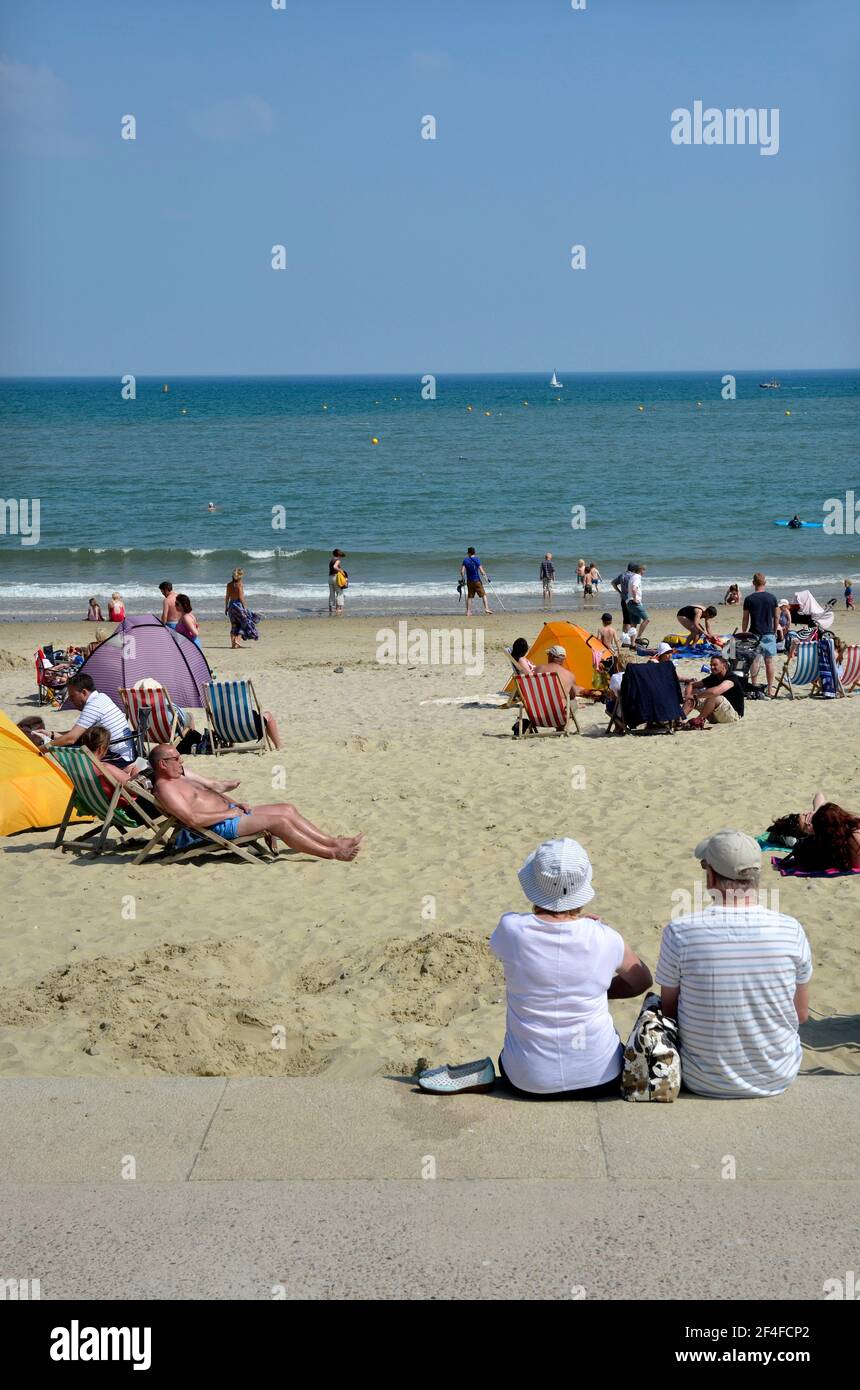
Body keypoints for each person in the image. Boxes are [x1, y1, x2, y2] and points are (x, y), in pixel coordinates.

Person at [490, 839, 653, 1098]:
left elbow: (528, 943)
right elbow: (641, 980)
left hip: (527, 1078)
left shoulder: (511, 930)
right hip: (600, 1075)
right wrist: (598, 991)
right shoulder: (605, 937)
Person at [656, 831, 812, 1098]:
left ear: (711, 877)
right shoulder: (790, 929)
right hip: (778, 1075)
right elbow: (801, 1014)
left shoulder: (680, 931)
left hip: (702, 1078)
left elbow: (670, 1012)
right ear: (756, 876)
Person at [149, 745, 362, 860]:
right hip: (219, 825)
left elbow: (211, 792)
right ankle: (332, 853)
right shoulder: (165, 788)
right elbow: (192, 819)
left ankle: (333, 841)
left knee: (287, 808)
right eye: (176, 758)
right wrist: (228, 814)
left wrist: (235, 804)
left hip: (231, 812)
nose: (181, 761)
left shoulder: (179, 776)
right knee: (280, 823)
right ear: (162, 764)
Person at [47, 672, 137, 766]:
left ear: (84, 692)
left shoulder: (93, 706)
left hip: (118, 758)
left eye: (73, 696)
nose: (71, 700)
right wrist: (51, 734)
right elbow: (75, 734)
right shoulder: (102, 697)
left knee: (69, 753)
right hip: (126, 753)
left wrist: (42, 749)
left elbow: (71, 738)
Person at [778, 797, 860, 873]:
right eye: (806, 817)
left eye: (806, 815)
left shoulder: (824, 822)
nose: (808, 815)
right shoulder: (851, 834)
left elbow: (819, 795)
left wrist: (816, 811)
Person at [742, 572, 780, 697]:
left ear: (753, 583)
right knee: (769, 662)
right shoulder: (772, 598)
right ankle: (769, 689)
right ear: (765, 583)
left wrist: (744, 632)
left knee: (755, 661)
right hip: (768, 632)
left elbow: (745, 618)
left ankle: (754, 687)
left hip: (754, 633)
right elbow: (776, 617)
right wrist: (775, 630)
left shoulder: (749, 599)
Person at [682, 653, 744, 724]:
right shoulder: (714, 677)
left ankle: (699, 720)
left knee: (714, 697)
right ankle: (679, 720)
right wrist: (688, 696)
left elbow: (714, 692)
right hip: (714, 714)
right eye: (711, 665)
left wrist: (695, 696)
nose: (712, 667)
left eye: (715, 665)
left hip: (732, 715)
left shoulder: (731, 678)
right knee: (692, 696)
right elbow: (692, 685)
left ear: (724, 665)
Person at [225, 568, 260, 646]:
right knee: (244, 624)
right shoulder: (240, 584)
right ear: (240, 576)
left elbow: (227, 597)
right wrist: (244, 608)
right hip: (238, 606)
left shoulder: (229, 585)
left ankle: (233, 644)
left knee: (234, 624)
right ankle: (237, 639)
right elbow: (241, 598)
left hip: (231, 606)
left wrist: (226, 607)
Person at [460, 547, 491, 617]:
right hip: (477, 581)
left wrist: (462, 578)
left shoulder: (465, 560)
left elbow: (462, 572)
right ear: (474, 553)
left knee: (470, 597)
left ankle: (468, 612)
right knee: (483, 595)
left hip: (469, 581)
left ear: (469, 553)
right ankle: (486, 608)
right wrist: (486, 578)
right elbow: (481, 571)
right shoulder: (477, 559)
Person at [626, 563, 649, 643]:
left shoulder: (632, 577)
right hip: (634, 602)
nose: (644, 572)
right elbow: (634, 589)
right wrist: (635, 599)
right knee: (646, 619)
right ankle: (638, 638)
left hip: (629, 602)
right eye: (644, 570)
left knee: (633, 624)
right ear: (641, 570)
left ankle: (632, 644)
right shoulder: (637, 578)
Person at [611, 563, 635, 628]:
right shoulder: (634, 576)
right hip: (631, 599)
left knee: (625, 619)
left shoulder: (622, 575)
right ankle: (631, 636)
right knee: (632, 619)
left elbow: (613, 583)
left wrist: (619, 592)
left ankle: (624, 635)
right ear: (634, 569)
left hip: (624, 598)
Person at [328, 549, 347, 617]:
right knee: (339, 592)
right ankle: (338, 609)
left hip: (330, 578)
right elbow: (335, 567)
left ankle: (330, 608)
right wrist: (341, 570)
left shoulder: (331, 560)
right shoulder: (337, 560)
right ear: (339, 555)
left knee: (331, 593)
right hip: (336, 578)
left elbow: (332, 567)